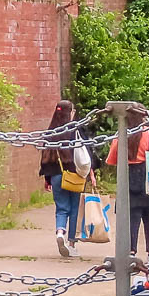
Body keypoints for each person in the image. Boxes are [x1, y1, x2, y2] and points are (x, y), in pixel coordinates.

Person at [106, 106, 149, 256]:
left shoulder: (121, 134)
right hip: (147, 175)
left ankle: (131, 250)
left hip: (128, 176)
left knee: (132, 217)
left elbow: (111, 159)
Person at [38, 100, 88, 258]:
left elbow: (45, 158)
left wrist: (47, 179)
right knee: (74, 209)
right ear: (70, 112)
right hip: (74, 176)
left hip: (55, 176)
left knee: (61, 209)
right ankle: (71, 243)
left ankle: (60, 233)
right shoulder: (75, 131)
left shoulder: (50, 132)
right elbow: (86, 154)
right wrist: (90, 173)